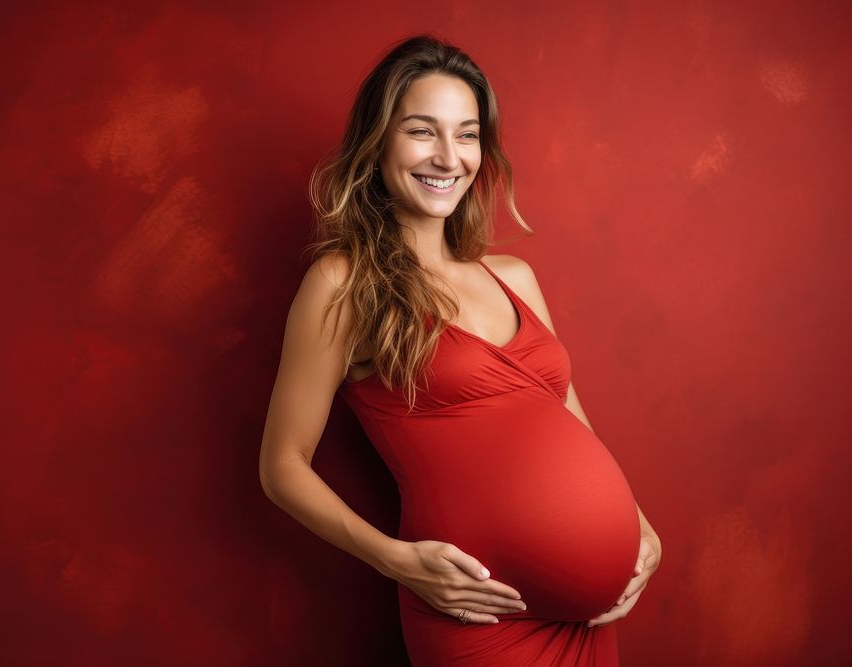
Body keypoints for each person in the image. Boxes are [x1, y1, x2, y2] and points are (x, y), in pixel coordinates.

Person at [259, 33, 662, 666]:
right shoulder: (343, 282)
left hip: (590, 625)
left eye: (468, 135)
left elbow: (569, 422)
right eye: (423, 131)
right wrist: (396, 560)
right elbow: (282, 463)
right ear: (378, 143)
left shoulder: (514, 277)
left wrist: (638, 527)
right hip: (477, 616)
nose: (448, 158)